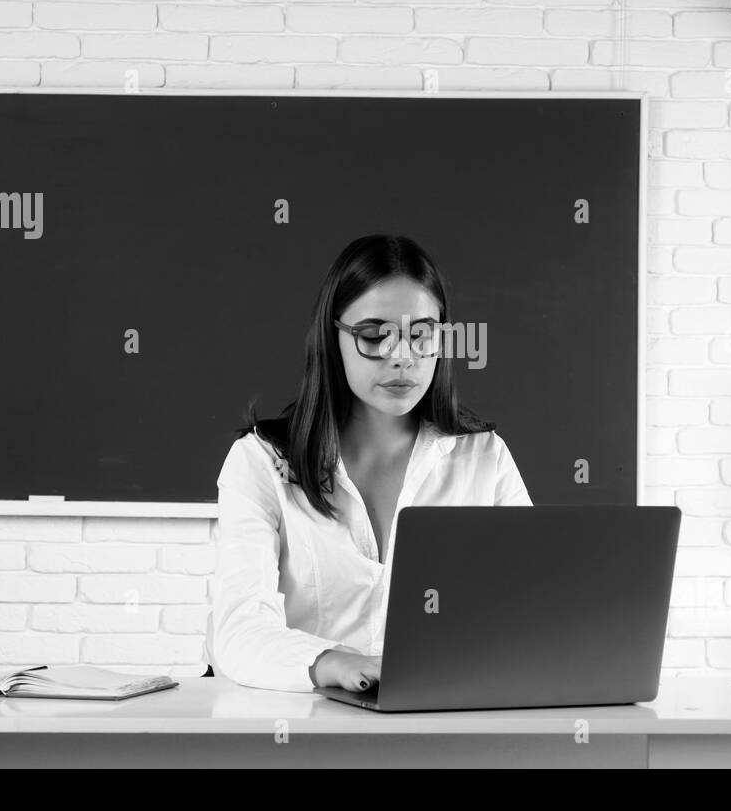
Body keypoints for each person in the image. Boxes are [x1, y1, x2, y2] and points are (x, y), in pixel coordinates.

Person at [203, 234, 531, 693]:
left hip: (437, 723)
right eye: (375, 336)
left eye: (421, 336)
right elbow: (236, 632)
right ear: (331, 337)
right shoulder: (260, 462)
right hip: (299, 730)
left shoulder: (483, 457)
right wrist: (331, 664)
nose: (402, 358)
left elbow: (531, 611)